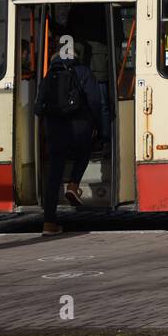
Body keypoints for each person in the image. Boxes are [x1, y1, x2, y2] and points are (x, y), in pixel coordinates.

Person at [35, 35, 112, 236]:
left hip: (55, 129)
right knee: (84, 152)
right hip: (80, 126)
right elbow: (96, 102)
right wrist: (99, 127)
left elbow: (38, 107)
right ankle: (74, 184)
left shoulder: (49, 75)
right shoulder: (84, 72)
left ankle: (49, 223)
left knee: (54, 174)